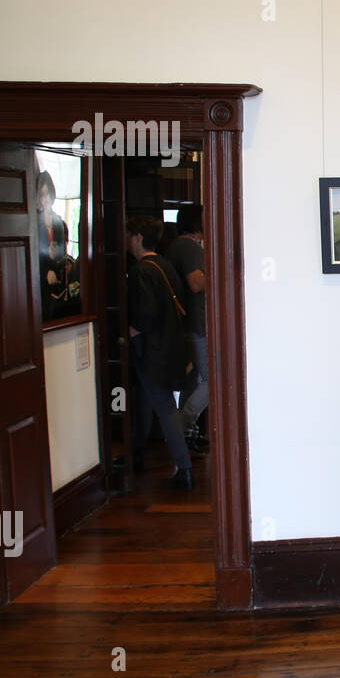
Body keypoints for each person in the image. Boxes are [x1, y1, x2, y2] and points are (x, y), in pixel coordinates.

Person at [126, 216, 194, 490]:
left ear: (139, 237)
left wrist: (131, 330)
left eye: (129, 235)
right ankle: (136, 454)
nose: (127, 241)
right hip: (171, 347)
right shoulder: (165, 265)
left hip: (152, 351)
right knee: (146, 402)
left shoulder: (142, 270)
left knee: (164, 408)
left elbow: (145, 315)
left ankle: (184, 468)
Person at [166, 207, 209, 452]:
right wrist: (218, 271)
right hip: (198, 323)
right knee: (212, 382)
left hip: (187, 324)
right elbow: (195, 283)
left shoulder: (175, 247)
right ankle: (181, 428)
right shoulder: (190, 247)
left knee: (194, 381)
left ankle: (186, 435)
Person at [37, 171, 72, 320]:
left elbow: (61, 254)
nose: (46, 199)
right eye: (43, 195)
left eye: (48, 194)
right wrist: (45, 270)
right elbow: (31, 253)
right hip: (38, 279)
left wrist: (53, 268)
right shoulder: (33, 220)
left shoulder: (58, 222)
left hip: (56, 281)